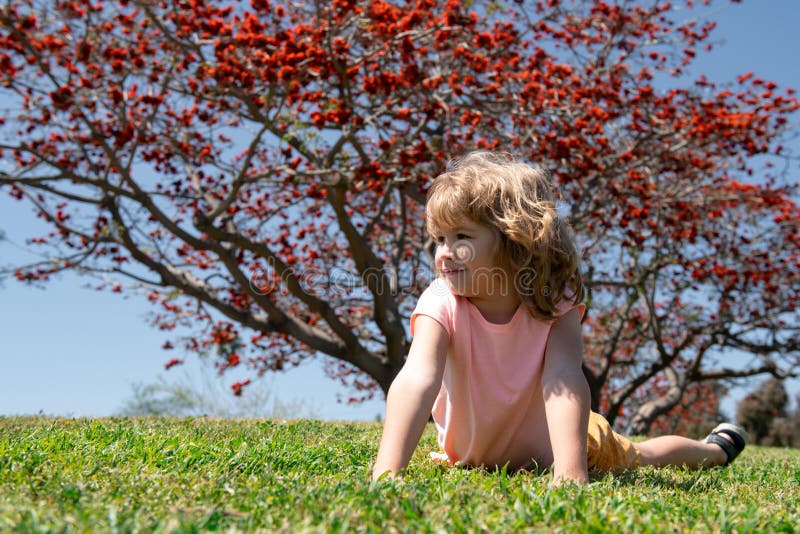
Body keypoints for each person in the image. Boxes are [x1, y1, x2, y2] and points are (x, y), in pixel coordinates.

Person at [372, 151, 748, 485]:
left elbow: (563, 378)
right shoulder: (440, 300)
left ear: (514, 239)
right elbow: (418, 378)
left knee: (640, 455)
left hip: (568, 441)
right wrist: (387, 473)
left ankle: (712, 451)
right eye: (439, 238)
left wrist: (569, 471)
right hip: (472, 456)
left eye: (461, 237)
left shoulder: (553, 302)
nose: (444, 253)